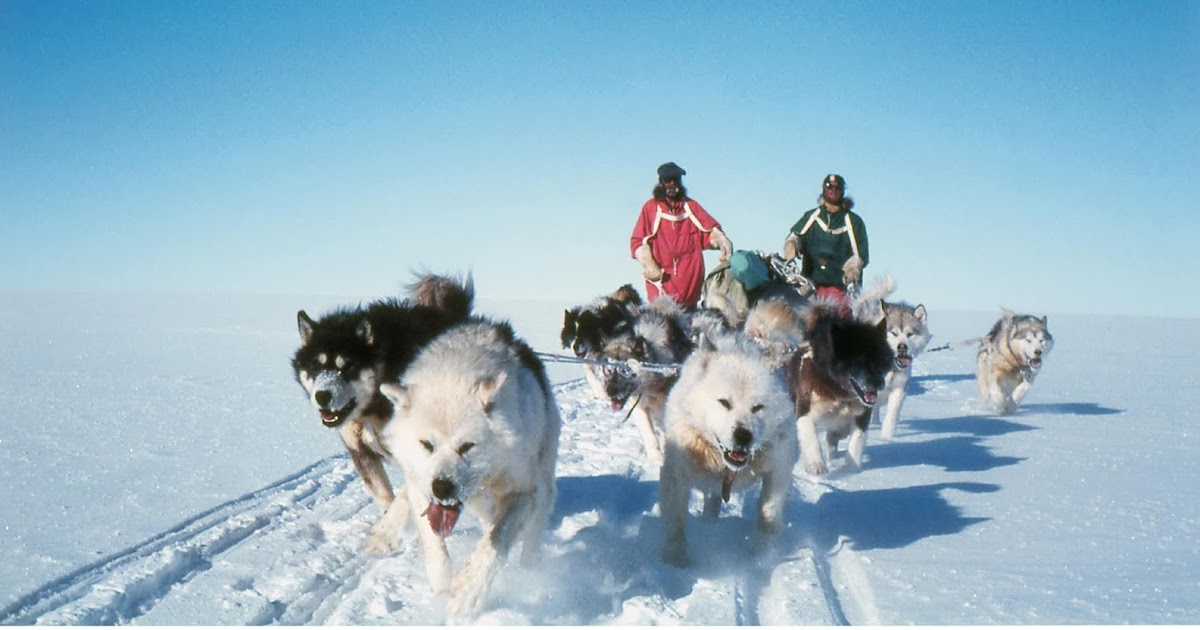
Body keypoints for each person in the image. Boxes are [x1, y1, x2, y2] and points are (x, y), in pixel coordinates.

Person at [630, 162, 733, 309]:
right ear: (660, 183)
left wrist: (722, 242)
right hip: (661, 288)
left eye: (676, 180)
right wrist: (648, 263)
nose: (672, 184)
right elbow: (637, 242)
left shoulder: (691, 207)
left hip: (690, 288)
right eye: (668, 180)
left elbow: (708, 233)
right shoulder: (650, 208)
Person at [782, 173, 869, 312]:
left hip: (839, 288)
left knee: (838, 320)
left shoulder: (853, 222)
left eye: (837, 187)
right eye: (829, 186)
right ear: (823, 189)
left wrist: (853, 269)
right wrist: (792, 245)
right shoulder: (812, 217)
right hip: (811, 285)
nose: (833, 190)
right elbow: (796, 235)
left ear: (843, 191)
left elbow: (860, 254)